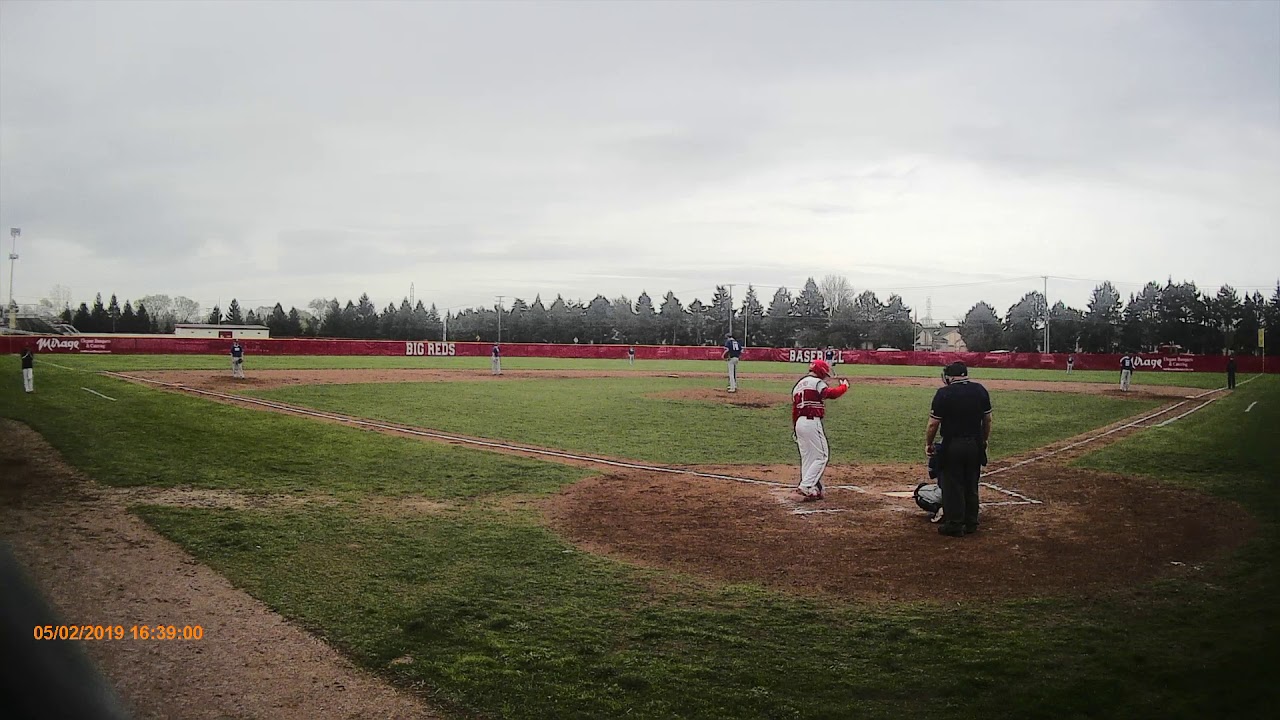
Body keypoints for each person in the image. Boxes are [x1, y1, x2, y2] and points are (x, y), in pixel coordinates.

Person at [925, 362, 992, 536]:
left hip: (953, 444)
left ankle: (954, 524)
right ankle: (971, 522)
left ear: (951, 376)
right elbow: (988, 420)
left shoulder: (944, 393)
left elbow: (933, 424)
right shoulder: (980, 390)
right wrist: (984, 440)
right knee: (971, 483)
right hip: (975, 444)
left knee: (953, 484)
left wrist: (929, 444)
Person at [789, 359, 849, 501]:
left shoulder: (798, 385)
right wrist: (844, 387)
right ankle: (806, 485)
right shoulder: (816, 382)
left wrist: (795, 427)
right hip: (811, 421)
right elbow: (830, 394)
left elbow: (794, 409)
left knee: (808, 457)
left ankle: (811, 488)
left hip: (799, 422)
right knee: (822, 456)